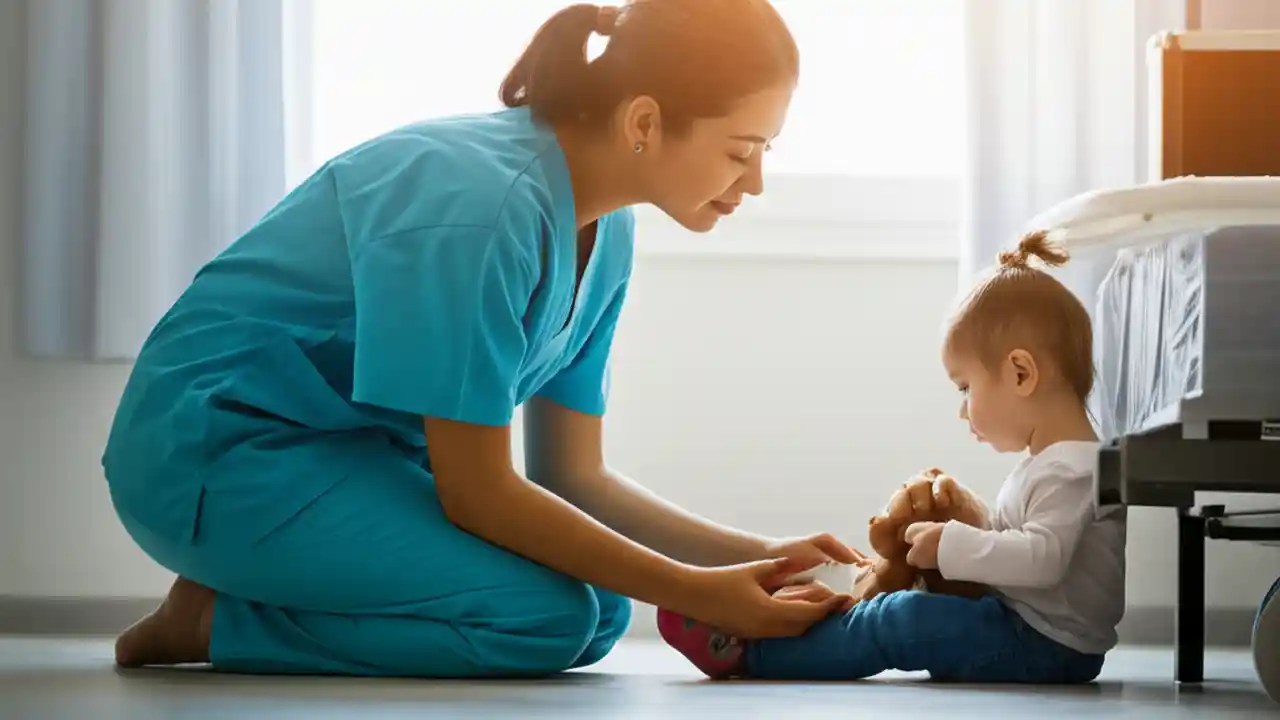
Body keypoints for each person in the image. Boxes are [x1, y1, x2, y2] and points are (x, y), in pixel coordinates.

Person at [103, 1, 861, 678]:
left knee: (597, 612)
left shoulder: (609, 230)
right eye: (740, 150)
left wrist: (752, 557)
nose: (756, 181)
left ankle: (250, 589)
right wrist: (697, 591)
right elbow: (478, 493)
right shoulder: (480, 207)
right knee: (545, 618)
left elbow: (573, 475)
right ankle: (213, 621)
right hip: (214, 455)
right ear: (643, 122)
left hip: (341, 454)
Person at [660, 232, 1128, 683]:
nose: (963, 409)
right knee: (903, 603)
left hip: (1048, 647)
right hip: (1034, 630)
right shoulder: (1056, 463)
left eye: (966, 387)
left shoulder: (1070, 469)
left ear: (1021, 373)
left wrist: (951, 545)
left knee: (902, 620)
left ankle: (753, 651)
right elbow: (1022, 547)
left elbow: (1042, 560)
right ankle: (801, 624)